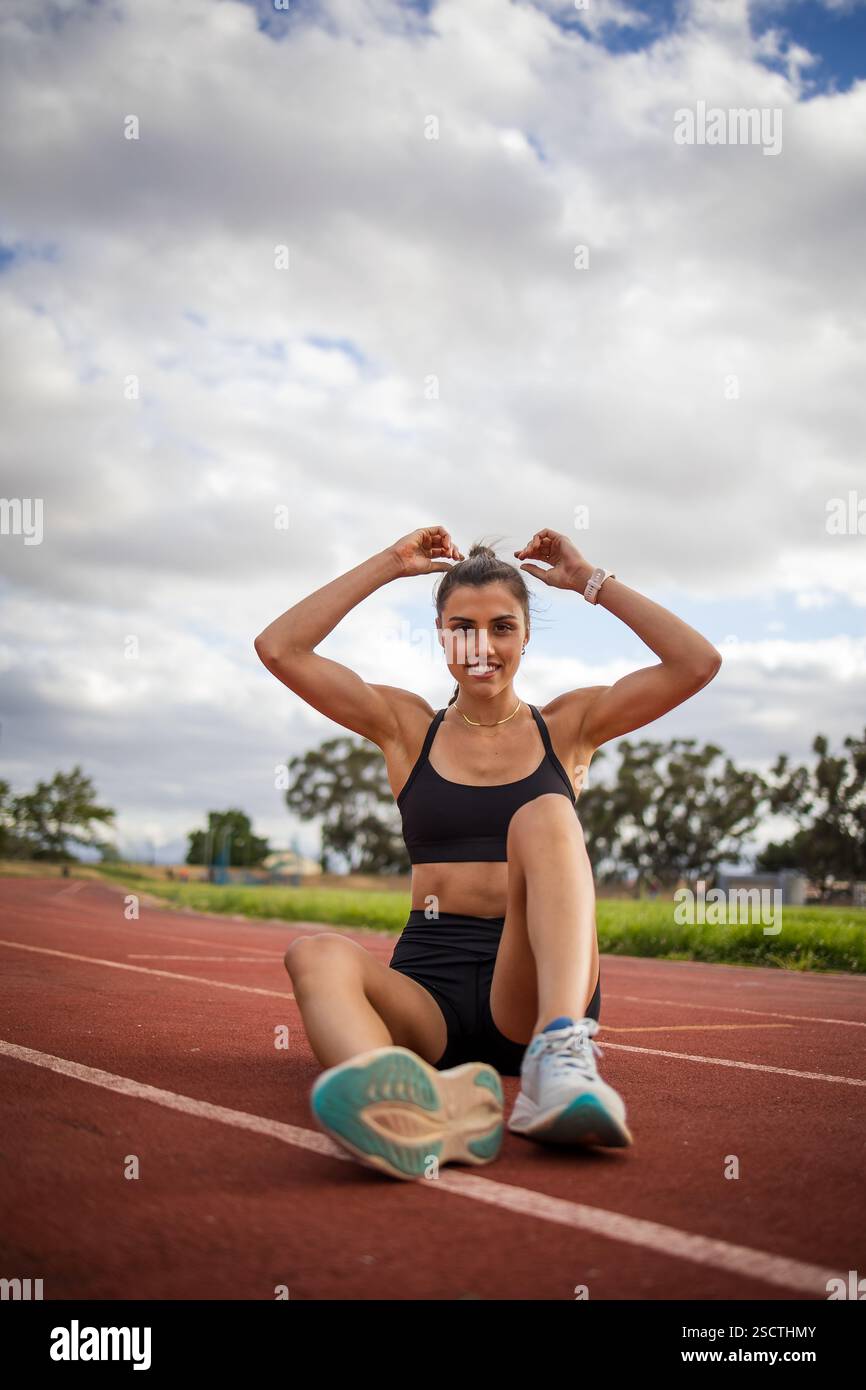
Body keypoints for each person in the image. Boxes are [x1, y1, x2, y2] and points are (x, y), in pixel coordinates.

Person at [254, 527, 722, 1180]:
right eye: (461, 628)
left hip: (531, 991)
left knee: (548, 812)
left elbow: (696, 664)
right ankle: (417, 1108)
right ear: (441, 637)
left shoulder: (569, 726)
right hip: (427, 993)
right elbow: (279, 648)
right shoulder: (405, 727)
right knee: (313, 954)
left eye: (502, 626)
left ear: (526, 635)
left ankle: (557, 1065)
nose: (482, 646)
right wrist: (390, 564)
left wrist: (592, 581)